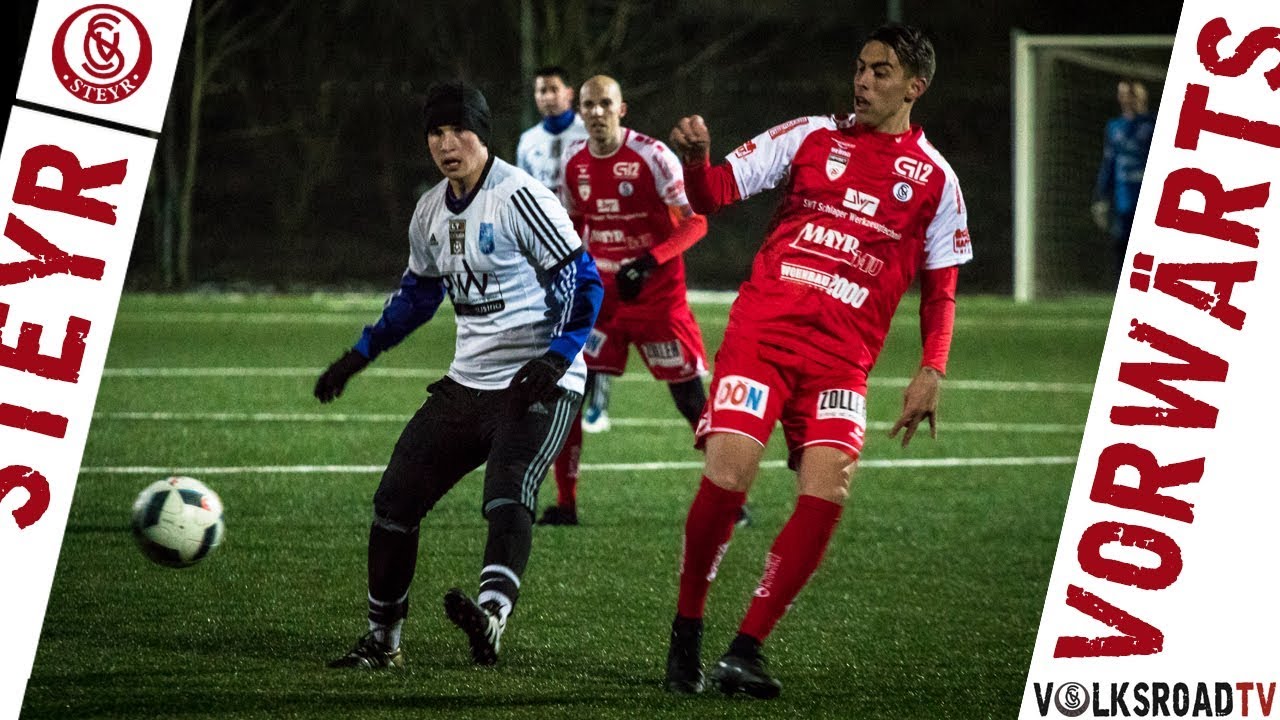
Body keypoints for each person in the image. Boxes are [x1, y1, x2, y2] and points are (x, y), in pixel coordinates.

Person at [662, 23, 973, 699]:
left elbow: (940, 290)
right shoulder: (808, 135)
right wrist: (695, 161)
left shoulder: (937, 181)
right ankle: (686, 629)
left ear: (914, 88)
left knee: (827, 493)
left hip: (840, 362)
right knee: (729, 475)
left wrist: (931, 369)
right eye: (860, 68)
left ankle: (744, 650)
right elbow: (713, 193)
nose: (863, 81)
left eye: (881, 72)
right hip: (763, 337)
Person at [316, 80, 602, 669]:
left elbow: (582, 281)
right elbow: (416, 298)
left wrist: (556, 357)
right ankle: (383, 641)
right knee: (394, 501)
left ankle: (492, 616)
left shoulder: (519, 197)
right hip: (467, 384)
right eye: (436, 133)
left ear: (482, 134)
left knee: (507, 492)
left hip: (539, 381)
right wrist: (359, 354)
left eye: (458, 131)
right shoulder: (428, 211)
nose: (447, 144)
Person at [535, 75, 712, 527]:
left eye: (604, 105)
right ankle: (566, 502)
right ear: (581, 112)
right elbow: (572, 230)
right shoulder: (574, 165)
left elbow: (695, 224)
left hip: (658, 300)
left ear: (621, 108)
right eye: (589, 106)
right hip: (603, 305)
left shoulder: (653, 157)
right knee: (570, 391)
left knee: (691, 400)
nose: (596, 113)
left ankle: (729, 498)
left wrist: (649, 261)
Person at [1091, 79, 1155, 281]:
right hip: (1124, 196)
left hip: (1152, 196)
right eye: (1124, 94)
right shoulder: (1114, 126)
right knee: (1122, 242)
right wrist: (1101, 196)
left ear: (1142, 96)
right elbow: (1109, 162)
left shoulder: (1155, 123)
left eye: (1132, 94)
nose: (1127, 99)